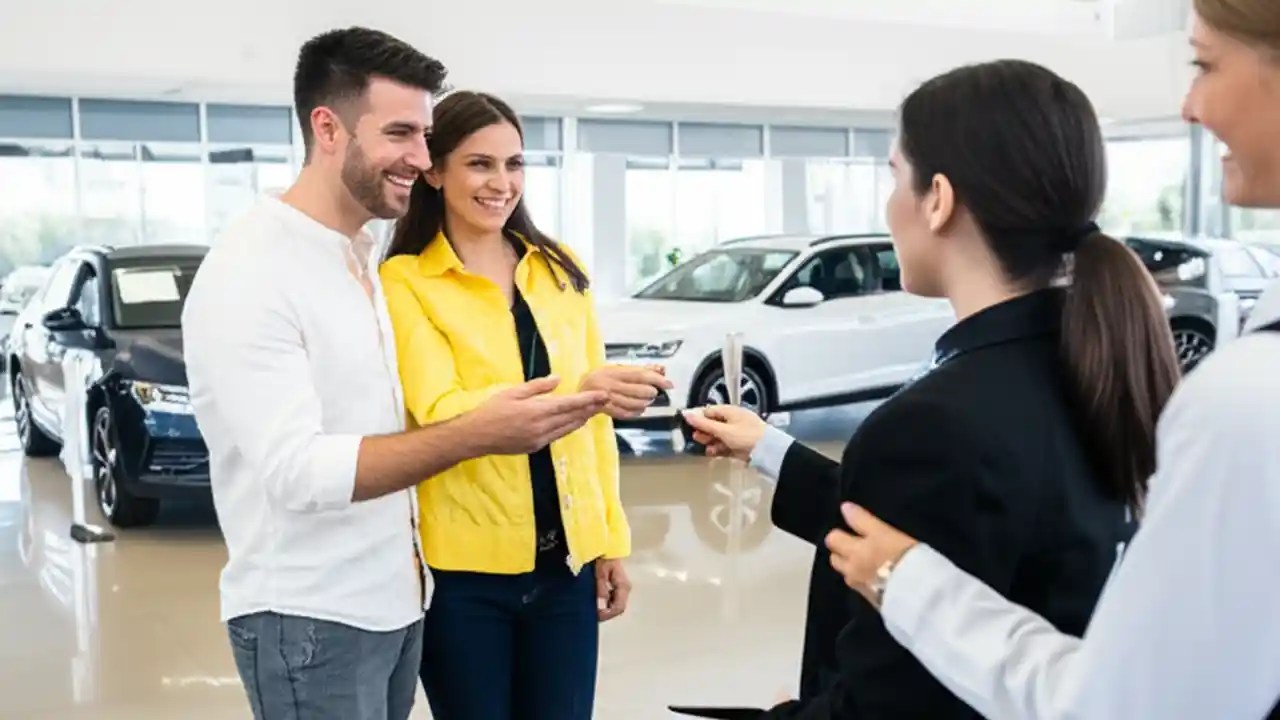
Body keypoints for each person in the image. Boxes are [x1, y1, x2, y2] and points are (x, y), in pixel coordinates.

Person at [680, 60, 1183, 718]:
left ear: (939, 198)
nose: (890, 205)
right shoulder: (1103, 369)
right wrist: (770, 448)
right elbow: (958, 525)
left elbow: (887, 704)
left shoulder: (935, 423)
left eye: (895, 175)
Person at [821, 2, 1280, 718]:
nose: (1191, 106)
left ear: (937, 199)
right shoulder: (1107, 368)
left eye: (1205, 63)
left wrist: (908, 585)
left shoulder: (1242, 397)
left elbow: (1126, 704)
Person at [183, 30, 609, 720]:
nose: (421, 157)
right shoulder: (253, 270)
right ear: (328, 127)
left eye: (427, 134)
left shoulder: (357, 258)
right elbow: (296, 470)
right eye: (402, 133)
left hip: (395, 602)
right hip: (308, 618)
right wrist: (476, 434)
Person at [379, 90, 672, 720]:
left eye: (514, 164)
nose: (501, 182)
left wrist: (609, 541)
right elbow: (442, 407)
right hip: (462, 576)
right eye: (480, 164)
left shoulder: (559, 269)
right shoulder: (405, 281)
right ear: (434, 170)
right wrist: (587, 394)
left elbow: (593, 436)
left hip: (566, 563)